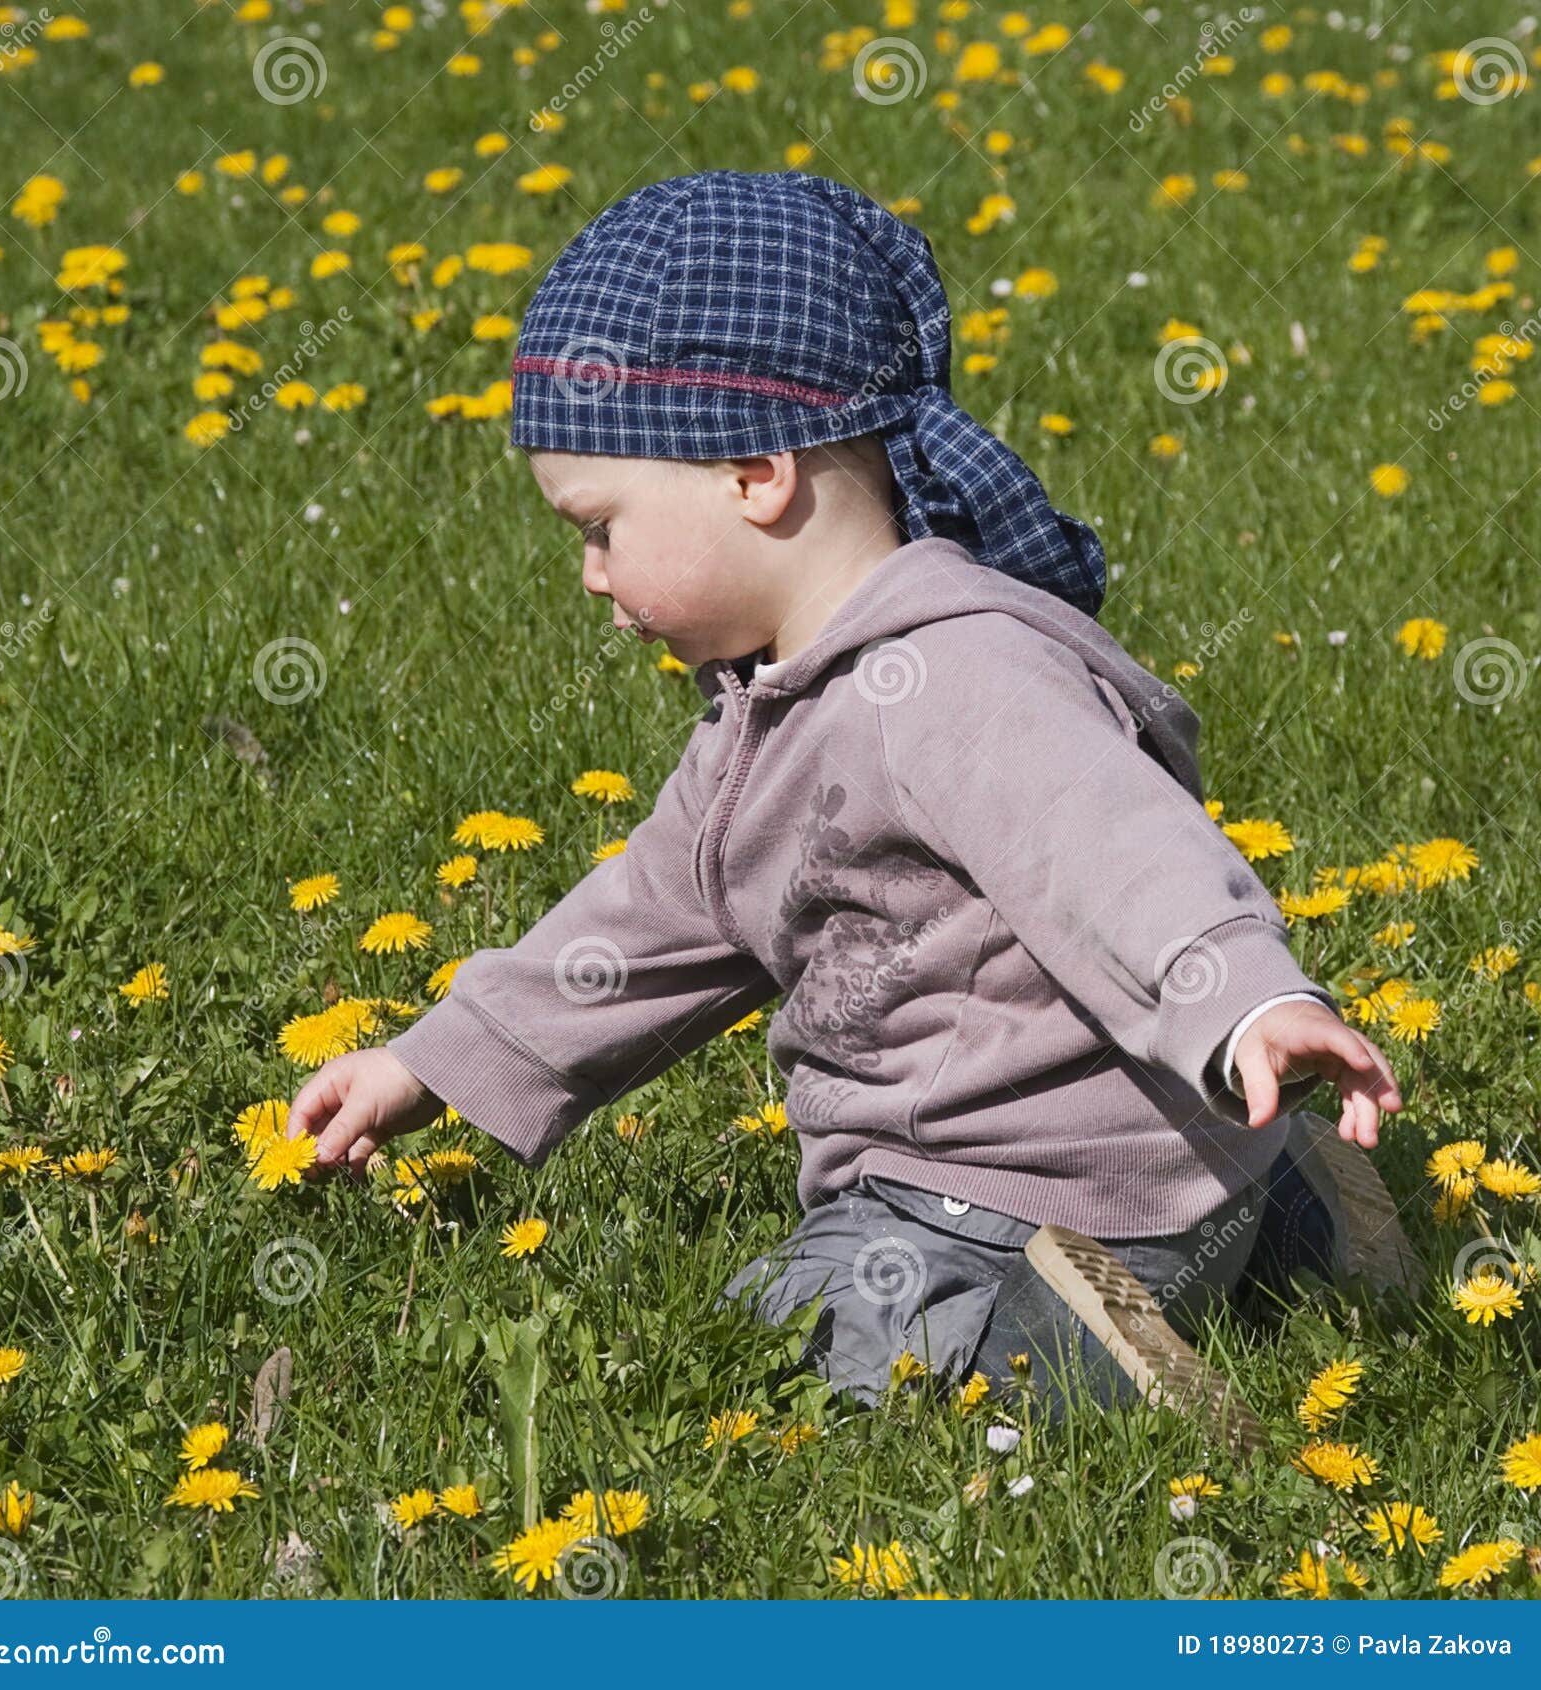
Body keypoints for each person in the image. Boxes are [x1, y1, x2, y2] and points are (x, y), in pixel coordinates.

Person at [283, 170, 1414, 1422]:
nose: (591, 577)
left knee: (778, 1347)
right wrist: (432, 1064)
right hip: (1170, 1167)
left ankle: (1087, 1360)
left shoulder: (951, 673)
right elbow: (651, 926)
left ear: (755, 469)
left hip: (1006, 1197)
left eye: (599, 525)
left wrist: (1248, 999)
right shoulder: (778, 707)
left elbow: (1114, 846)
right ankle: (1298, 1216)